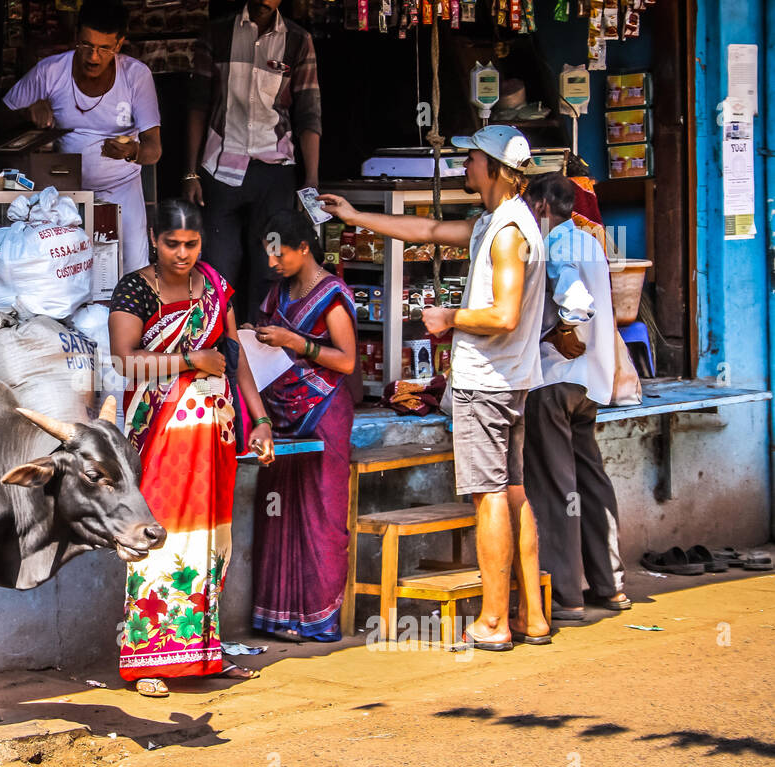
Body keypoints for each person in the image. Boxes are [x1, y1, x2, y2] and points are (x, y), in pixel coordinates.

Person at [319, 125, 551, 649]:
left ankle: (494, 621)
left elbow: (505, 314)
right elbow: (425, 231)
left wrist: (450, 317)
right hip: (509, 382)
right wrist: (354, 217)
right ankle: (531, 615)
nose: (464, 168)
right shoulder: (496, 222)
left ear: (493, 167)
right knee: (511, 490)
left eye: (470, 160)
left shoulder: (509, 232)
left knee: (487, 495)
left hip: (488, 383)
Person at [108, 200, 274, 696]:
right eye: (171, 244)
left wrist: (259, 419)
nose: (182, 254)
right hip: (161, 434)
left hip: (215, 433)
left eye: (191, 244)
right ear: (154, 239)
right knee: (161, 535)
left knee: (210, 538)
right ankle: (148, 660)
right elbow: (124, 363)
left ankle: (204, 654)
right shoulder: (135, 290)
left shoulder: (216, 286)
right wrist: (187, 361)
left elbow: (233, 355)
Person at [184, 0, 321, 322]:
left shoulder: (297, 41)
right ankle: (222, 349)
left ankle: (260, 355)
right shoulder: (217, 34)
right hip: (220, 172)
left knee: (268, 266)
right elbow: (197, 105)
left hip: (273, 174)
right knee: (219, 268)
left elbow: (309, 112)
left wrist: (310, 182)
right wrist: (191, 172)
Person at [521, 173, 631, 620]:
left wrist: (566, 326)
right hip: (590, 383)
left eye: (530, 206)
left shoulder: (557, 244)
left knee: (554, 487)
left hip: (555, 380)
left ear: (543, 206)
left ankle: (566, 595)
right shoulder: (589, 241)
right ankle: (611, 584)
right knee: (589, 479)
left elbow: (576, 297)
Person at [249, 210, 358, 641]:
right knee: (279, 510)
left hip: (324, 411)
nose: (273, 264)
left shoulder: (331, 295)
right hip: (281, 415)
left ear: (305, 248)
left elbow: (346, 361)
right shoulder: (277, 294)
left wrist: (296, 342)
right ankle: (279, 615)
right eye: (269, 256)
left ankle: (318, 616)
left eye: (281, 256)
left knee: (321, 513)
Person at [3, 0, 161, 274]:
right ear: (76, 36)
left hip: (123, 190)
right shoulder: (51, 72)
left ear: (119, 44)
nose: (93, 56)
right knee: (70, 274)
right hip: (64, 193)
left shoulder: (136, 76)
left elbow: (154, 149)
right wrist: (28, 112)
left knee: (132, 273)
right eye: (86, 45)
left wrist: (132, 152)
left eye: (104, 48)